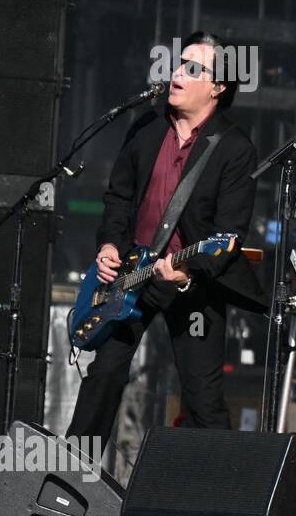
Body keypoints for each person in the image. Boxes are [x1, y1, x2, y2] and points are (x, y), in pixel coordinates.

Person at [70, 31, 264, 448]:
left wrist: (186, 274)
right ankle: (67, 482)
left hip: (190, 283)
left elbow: (229, 234)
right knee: (104, 374)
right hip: (131, 278)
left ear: (218, 87)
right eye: (179, 63)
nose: (177, 72)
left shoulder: (234, 149)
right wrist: (108, 246)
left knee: (203, 399)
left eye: (194, 68)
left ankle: (212, 502)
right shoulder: (146, 127)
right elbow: (120, 196)